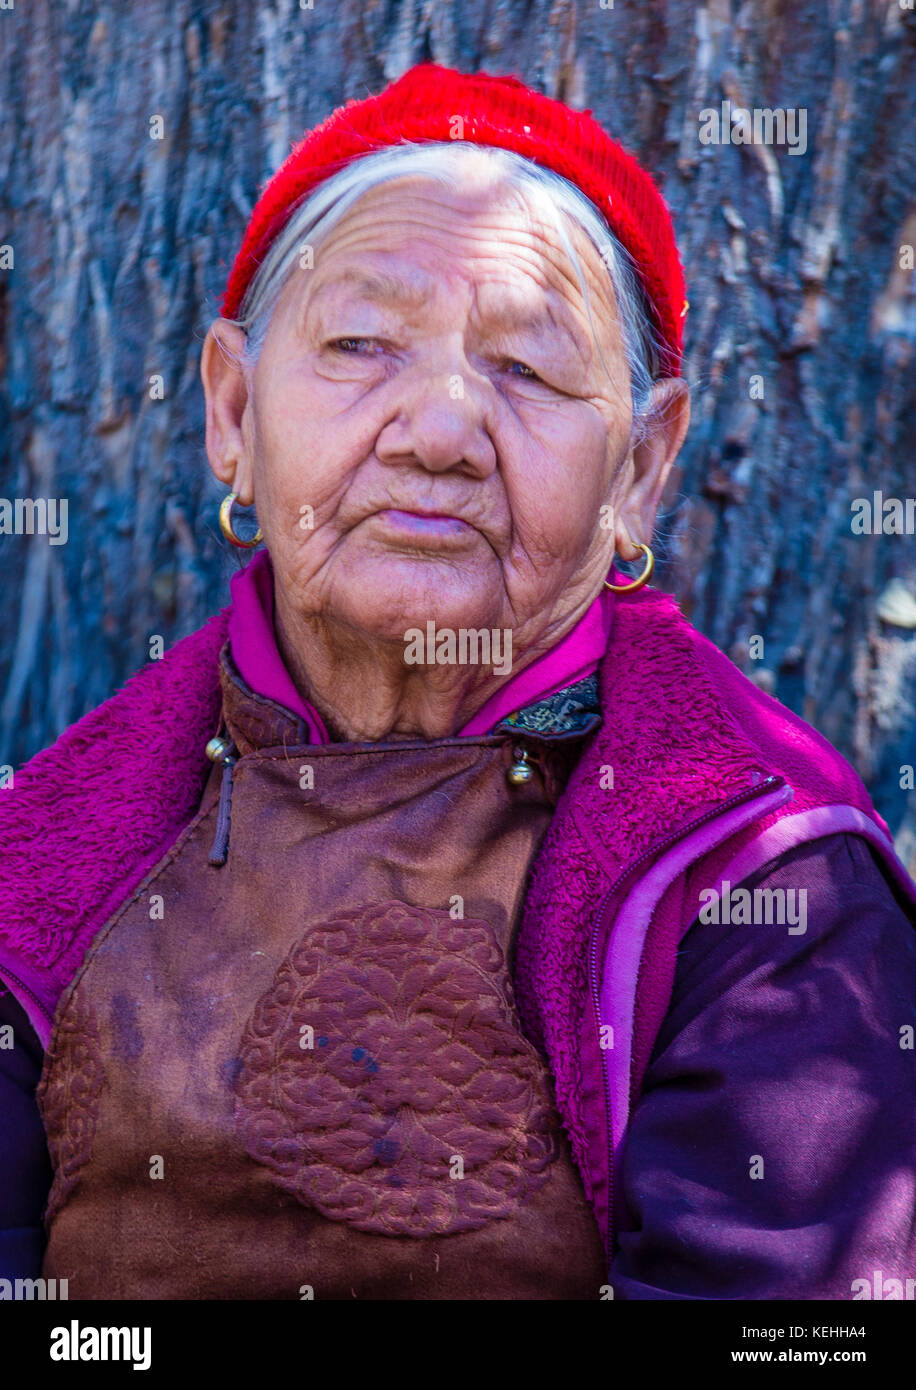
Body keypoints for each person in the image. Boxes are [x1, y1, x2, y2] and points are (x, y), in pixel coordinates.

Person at [1, 62, 914, 1301]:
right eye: (361, 343)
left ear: (643, 467)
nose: (438, 431)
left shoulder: (755, 867)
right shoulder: (52, 858)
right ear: (229, 411)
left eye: (528, 370)